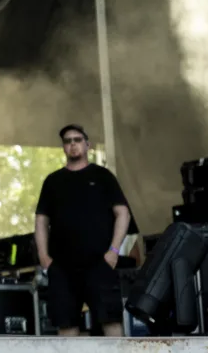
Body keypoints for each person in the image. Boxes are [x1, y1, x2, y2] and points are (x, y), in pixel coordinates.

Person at [34, 124, 132, 337]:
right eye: (68, 141)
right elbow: (41, 221)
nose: (72, 144)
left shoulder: (103, 176)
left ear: (87, 144)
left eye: (77, 140)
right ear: (63, 147)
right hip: (61, 266)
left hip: (100, 263)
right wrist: (44, 258)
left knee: (111, 322)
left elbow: (123, 213)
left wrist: (114, 252)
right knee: (66, 326)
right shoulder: (53, 181)